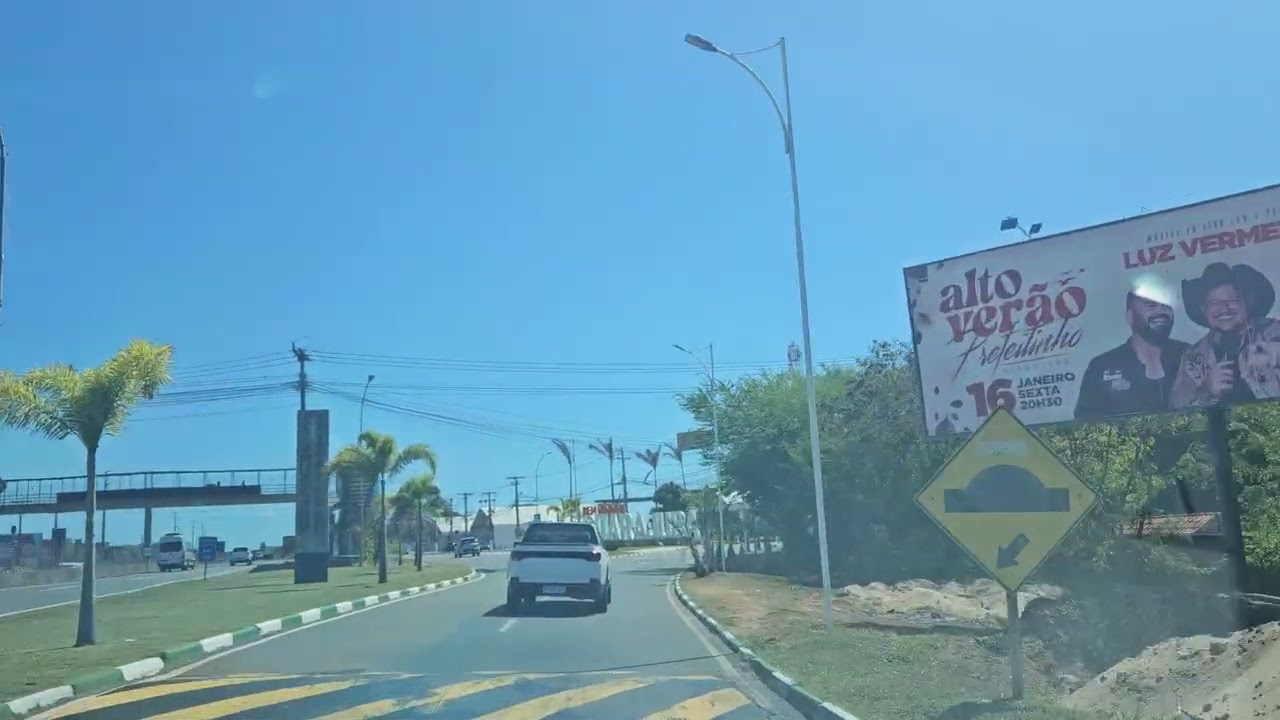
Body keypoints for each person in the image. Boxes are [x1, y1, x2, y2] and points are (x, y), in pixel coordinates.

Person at [1170, 262, 1280, 408]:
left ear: (1247, 303)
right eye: (1214, 302)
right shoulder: (1193, 357)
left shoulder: (1275, 333)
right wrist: (1208, 390)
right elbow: (1176, 413)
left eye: (1232, 300)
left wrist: (1267, 375)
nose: (1224, 308)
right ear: (1204, 310)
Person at [1074, 292, 1189, 420]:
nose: (1160, 311)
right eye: (1150, 305)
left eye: (1167, 306)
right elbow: (1085, 422)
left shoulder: (1190, 354)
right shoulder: (1102, 366)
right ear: (1130, 316)